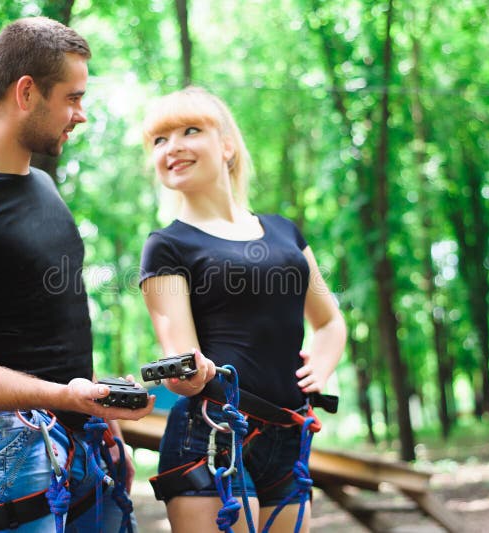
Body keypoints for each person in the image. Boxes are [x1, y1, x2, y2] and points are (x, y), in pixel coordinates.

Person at [0, 17, 154, 532]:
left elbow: (54, 329)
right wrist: (60, 396)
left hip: (82, 440)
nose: (80, 115)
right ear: (26, 92)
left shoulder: (44, 187)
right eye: (72, 97)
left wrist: (97, 418)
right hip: (1, 453)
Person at [139, 87, 347, 532]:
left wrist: (322, 368)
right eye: (159, 140)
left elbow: (328, 321)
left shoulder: (285, 233)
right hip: (212, 433)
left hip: (290, 437)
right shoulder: (166, 246)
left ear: (227, 145)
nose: (172, 147)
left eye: (189, 131)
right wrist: (186, 374)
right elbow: (182, 360)